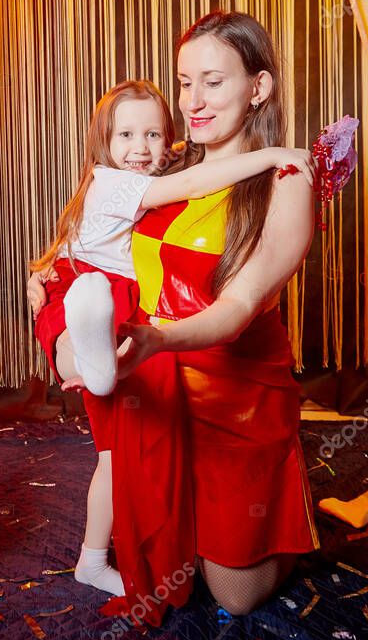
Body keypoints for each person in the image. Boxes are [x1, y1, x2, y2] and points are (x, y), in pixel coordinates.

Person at [29, 76, 316, 600]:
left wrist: (42, 268)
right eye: (127, 137)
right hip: (99, 296)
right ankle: (88, 362)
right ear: (103, 142)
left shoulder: (141, 170)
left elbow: (74, 232)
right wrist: (275, 153)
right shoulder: (119, 182)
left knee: (114, 456)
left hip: (121, 314)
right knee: (85, 358)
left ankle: (92, 557)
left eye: (154, 136)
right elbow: (186, 186)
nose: (141, 148)